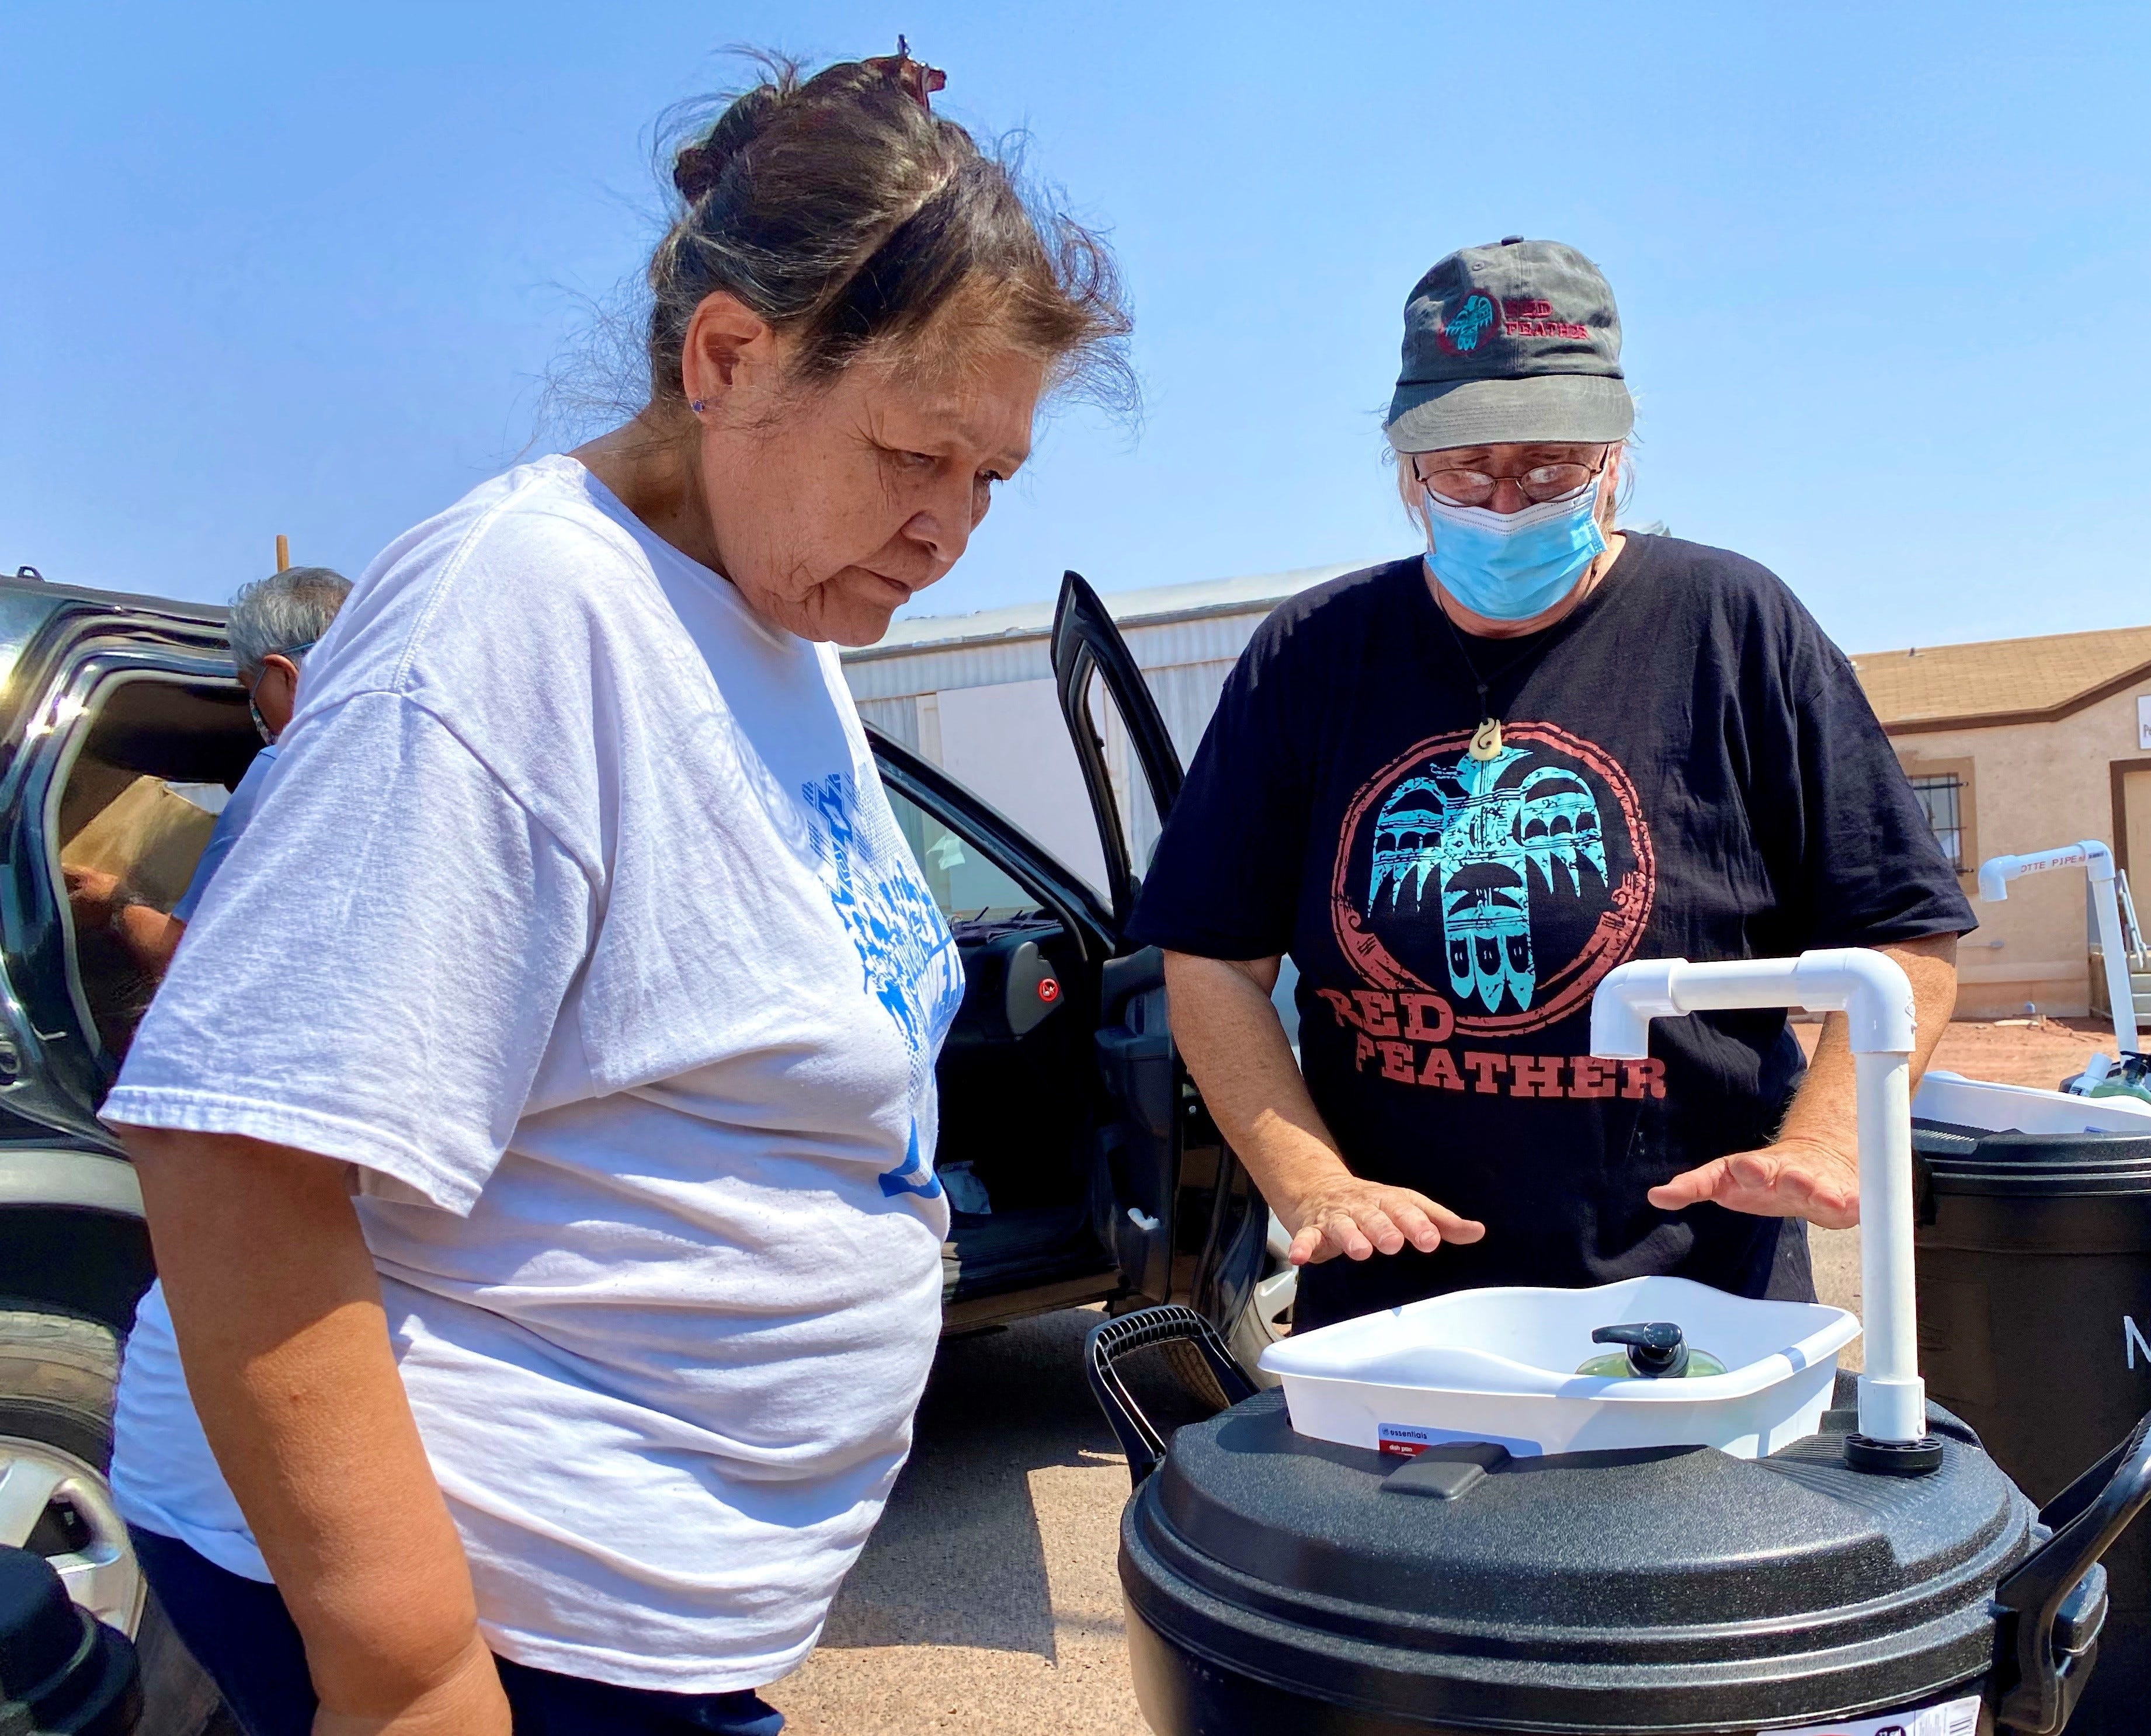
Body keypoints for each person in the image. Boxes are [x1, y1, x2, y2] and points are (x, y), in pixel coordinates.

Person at [102, 45, 1127, 1736]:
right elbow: (234, 1162)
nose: (950, 526)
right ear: (727, 356)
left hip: (614, 1628)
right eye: (910, 454)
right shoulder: (513, 616)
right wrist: (413, 1671)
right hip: (475, 1627)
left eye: (989, 480)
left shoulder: (771, 620)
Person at [1127, 239, 1970, 1334]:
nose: (1507, 501)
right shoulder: (1311, 656)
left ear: (1617, 456)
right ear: (1405, 470)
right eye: (1463, 470)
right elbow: (1212, 963)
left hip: (1694, 1308)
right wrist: (1314, 1185)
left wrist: (1821, 1142)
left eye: (1551, 466)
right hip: (1397, 1317)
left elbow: (1905, 940)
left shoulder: (1733, 626)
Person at [65, 566, 350, 977]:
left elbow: (185, 957)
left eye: (249, 688)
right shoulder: (436, 760)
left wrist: (115, 903)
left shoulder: (284, 771)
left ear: (284, 676)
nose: (253, 709)